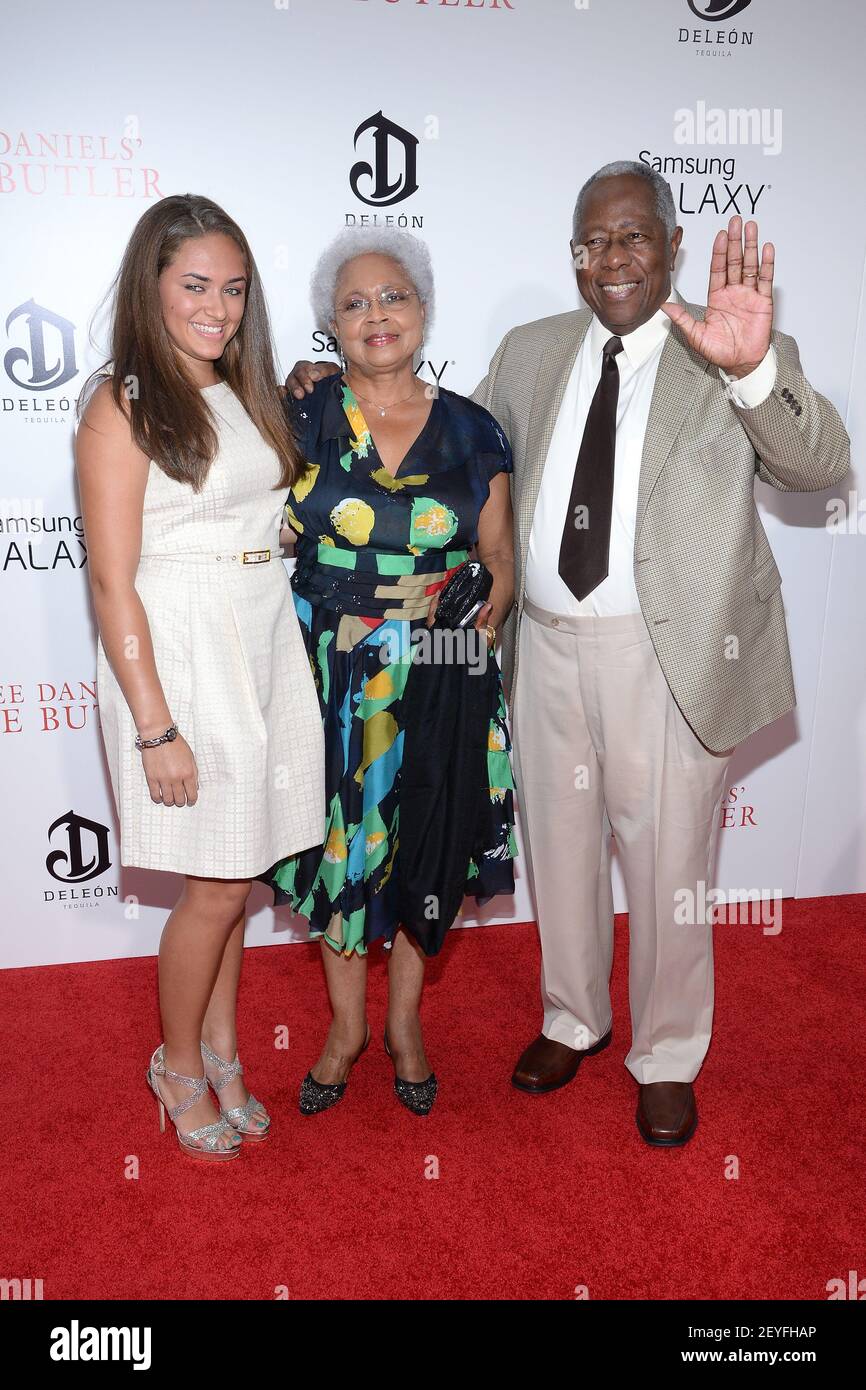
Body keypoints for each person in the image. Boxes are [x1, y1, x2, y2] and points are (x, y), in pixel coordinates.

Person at [289, 162, 849, 1146]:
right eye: (591, 243)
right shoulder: (532, 349)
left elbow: (817, 465)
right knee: (558, 848)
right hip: (536, 647)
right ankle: (571, 1017)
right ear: (574, 260)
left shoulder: (733, 349)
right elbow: (443, 453)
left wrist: (753, 367)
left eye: (632, 237)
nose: (611, 259)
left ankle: (667, 1052)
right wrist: (333, 379)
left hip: (663, 653)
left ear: (671, 245)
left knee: (668, 861)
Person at [76, 193, 325, 1160]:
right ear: (153, 286)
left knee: (240, 870)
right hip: (179, 648)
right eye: (194, 286)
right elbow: (110, 580)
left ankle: (223, 1046)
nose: (216, 306)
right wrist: (154, 726)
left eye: (233, 287)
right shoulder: (123, 405)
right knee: (217, 886)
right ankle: (178, 1063)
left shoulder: (247, 388)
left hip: (260, 637)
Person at [262, 226, 517, 1117]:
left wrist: (486, 602)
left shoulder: (475, 429)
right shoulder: (296, 416)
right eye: (354, 303)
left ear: (423, 310)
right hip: (330, 668)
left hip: (445, 664)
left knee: (425, 842)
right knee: (342, 850)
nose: (377, 315)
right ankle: (345, 1031)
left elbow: (501, 554)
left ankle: (405, 1023)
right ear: (330, 326)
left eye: (393, 297)